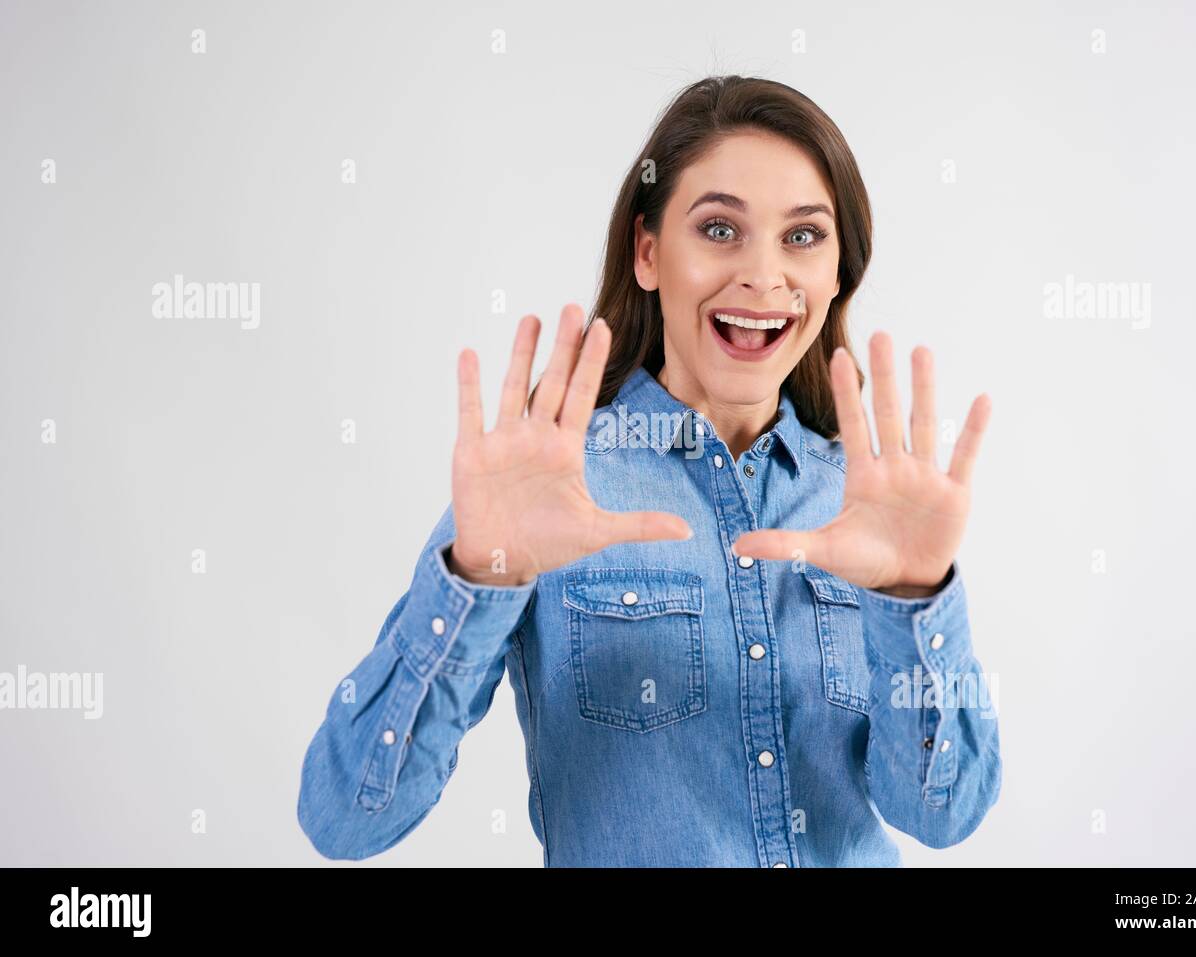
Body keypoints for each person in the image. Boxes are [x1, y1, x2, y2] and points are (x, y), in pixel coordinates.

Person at [297, 74, 1001, 866]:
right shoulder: (549, 483)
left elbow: (944, 815)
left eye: (802, 236)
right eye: (719, 229)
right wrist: (475, 577)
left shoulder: (863, 498)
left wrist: (913, 600)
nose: (764, 276)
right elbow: (344, 814)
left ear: (838, 272)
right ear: (647, 252)